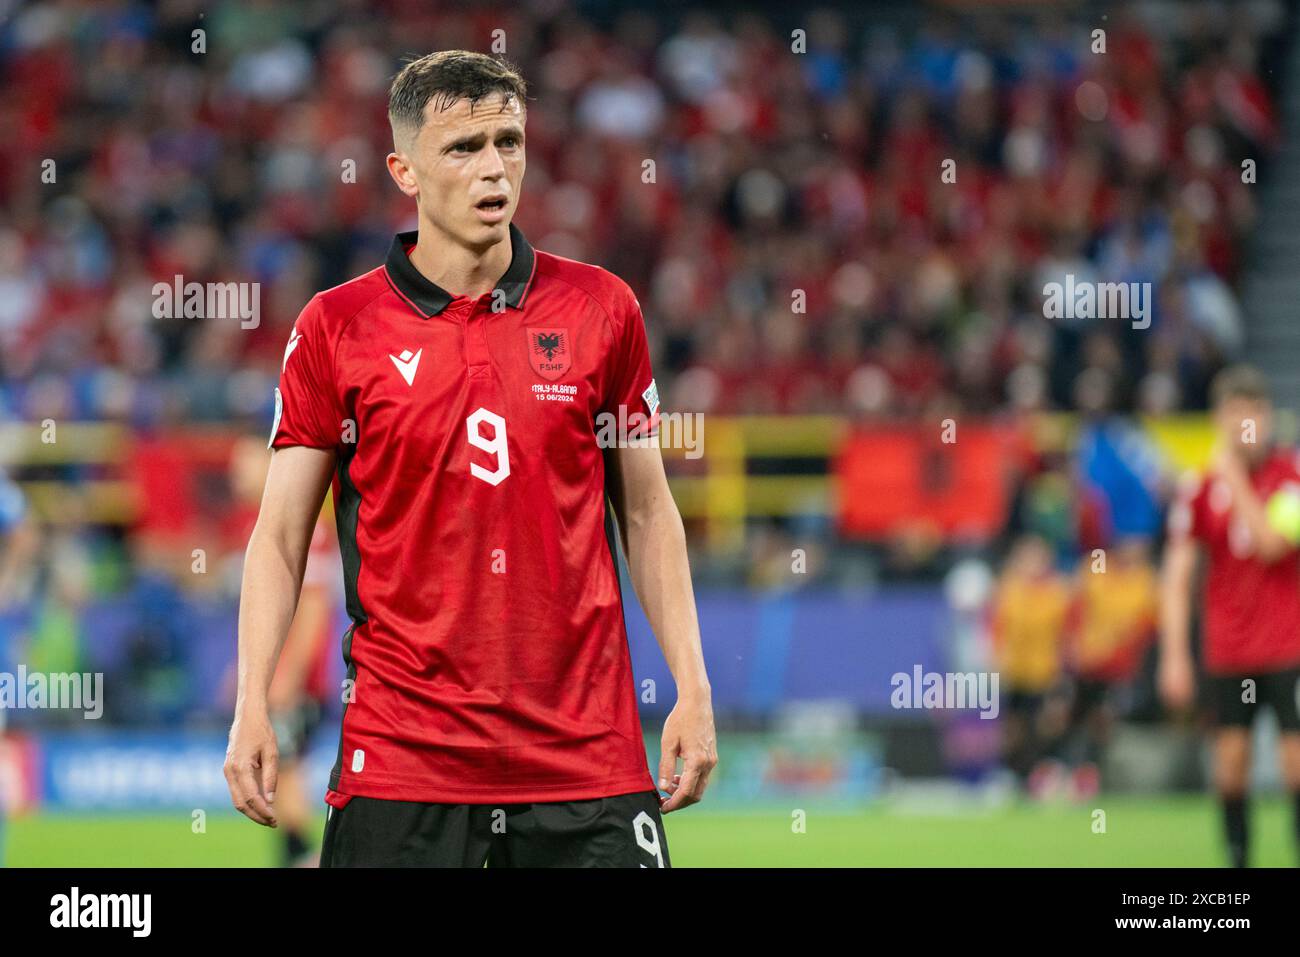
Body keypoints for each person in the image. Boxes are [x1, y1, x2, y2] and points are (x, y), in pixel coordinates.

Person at [223, 50, 715, 867]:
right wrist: (252, 702)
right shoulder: (335, 328)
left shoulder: (603, 309)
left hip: (586, 763)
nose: (495, 167)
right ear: (404, 169)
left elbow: (648, 512)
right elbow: (277, 537)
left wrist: (693, 686)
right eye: (463, 148)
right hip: (403, 766)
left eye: (509, 142)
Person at [1160, 364, 1300, 867]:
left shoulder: (1291, 476)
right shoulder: (1197, 489)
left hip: (1289, 646)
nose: (1246, 425)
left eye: (1253, 414)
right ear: (1220, 419)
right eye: (1235, 414)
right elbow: (1178, 576)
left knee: (1295, 765)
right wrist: (1174, 654)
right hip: (1230, 651)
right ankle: (1238, 867)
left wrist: (1234, 475)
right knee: (1231, 766)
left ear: (1266, 418)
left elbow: (1268, 544)